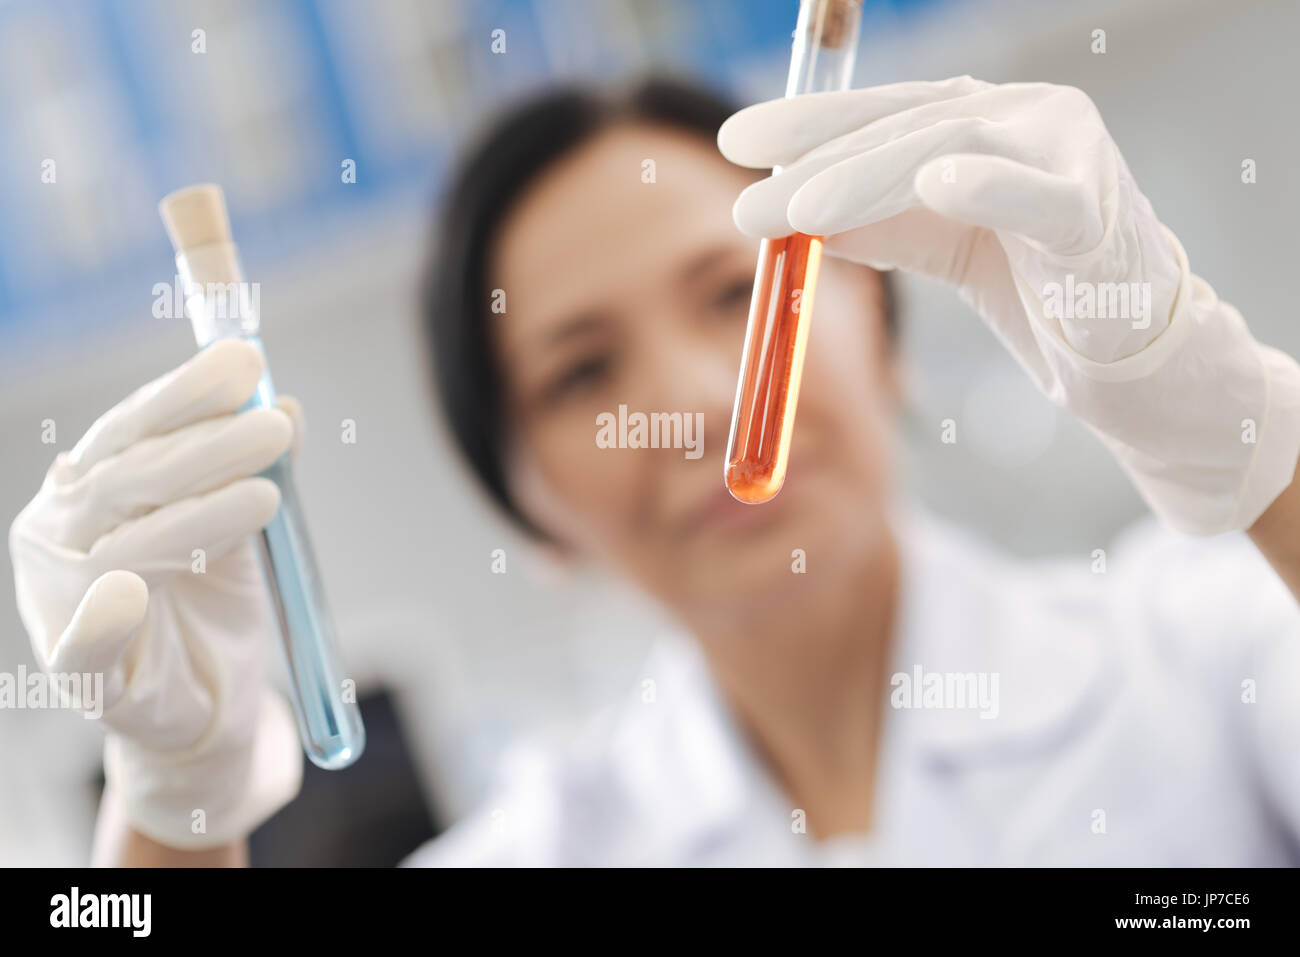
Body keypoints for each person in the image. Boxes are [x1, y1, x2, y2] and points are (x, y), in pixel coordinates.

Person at [10, 75, 1300, 867]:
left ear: (890, 329)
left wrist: (1256, 448)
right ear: (534, 511)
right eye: (582, 375)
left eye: (738, 292)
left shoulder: (1207, 647)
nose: (695, 403)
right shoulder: (545, 849)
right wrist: (175, 818)